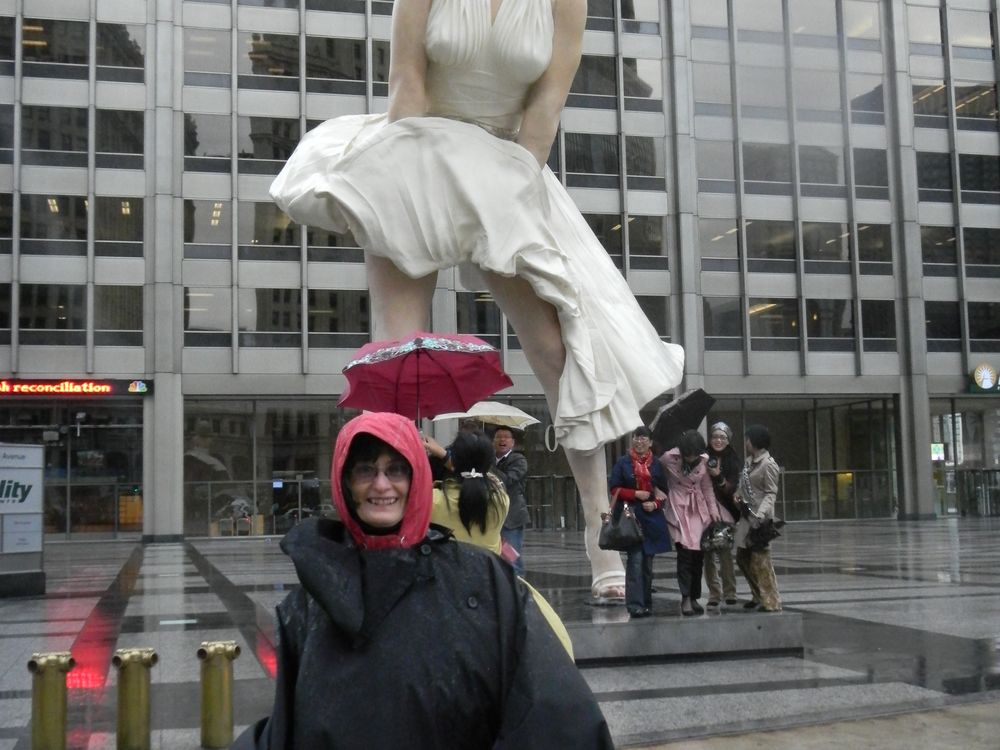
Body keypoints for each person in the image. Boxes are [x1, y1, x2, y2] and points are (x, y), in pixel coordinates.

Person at [269, 0, 685, 602]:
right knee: (396, 352)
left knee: (555, 347)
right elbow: (406, 83)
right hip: (416, 150)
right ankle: (377, 523)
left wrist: (508, 194)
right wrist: (405, 193)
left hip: (507, 165)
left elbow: (545, 110)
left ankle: (601, 530)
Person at [233, 411, 612, 749]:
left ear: (416, 478)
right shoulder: (308, 603)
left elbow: (552, 713)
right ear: (345, 482)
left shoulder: (484, 582)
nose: (382, 485)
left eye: (396, 469)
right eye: (366, 470)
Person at [431, 429, 574, 657]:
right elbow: (491, 480)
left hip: (448, 588)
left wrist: (434, 455)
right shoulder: (500, 499)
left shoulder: (435, 502)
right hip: (497, 582)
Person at [659, 430, 731, 617]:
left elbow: (707, 487)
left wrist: (714, 512)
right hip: (679, 507)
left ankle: (694, 597)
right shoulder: (668, 458)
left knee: (698, 556)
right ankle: (685, 597)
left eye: (695, 455)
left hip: (698, 510)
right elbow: (657, 477)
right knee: (685, 555)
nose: (692, 458)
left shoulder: (704, 460)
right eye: (688, 454)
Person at [608, 426, 670, 618]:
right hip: (631, 518)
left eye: (644, 438)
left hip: (651, 518)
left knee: (648, 565)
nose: (639, 442)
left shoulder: (657, 465)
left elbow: (663, 491)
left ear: (650, 443)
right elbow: (614, 489)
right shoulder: (623, 463)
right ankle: (635, 605)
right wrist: (635, 494)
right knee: (635, 562)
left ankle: (646, 603)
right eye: (636, 438)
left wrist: (655, 503)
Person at [735, 424, 783, 613]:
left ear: (754, 441)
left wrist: (760, 515)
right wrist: (738, 493)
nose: (745, 442)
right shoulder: (749, 462)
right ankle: (758, 595)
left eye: (747, 439)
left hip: (760, 520)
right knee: (742, 558)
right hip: (746, 517)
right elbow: (745, 484)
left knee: (761, 561)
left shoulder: (768, 464)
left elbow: (771, 493)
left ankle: (771, 601)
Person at [704, 421, 741, 608]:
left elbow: (731, 488)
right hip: (703, 512)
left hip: (725, 512)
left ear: (728, 440)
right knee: (707, 554)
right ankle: (714, 593)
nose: (718, 440)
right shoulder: (703, 456)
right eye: (715, 437)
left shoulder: (733, 459)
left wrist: (718, 476)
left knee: (725, 552)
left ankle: (730, 592)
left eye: (722, 437)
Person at [493, 426, 529, 576]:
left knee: (512, 557)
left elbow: (508, 479)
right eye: (498, 437)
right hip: (494, 516)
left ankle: (518, 589)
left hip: (511, 518)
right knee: (496, 556)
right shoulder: (491, 460)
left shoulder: (518, 460)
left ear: (512, 442)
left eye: (506, 437)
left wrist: (487, 467)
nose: (502, 439)